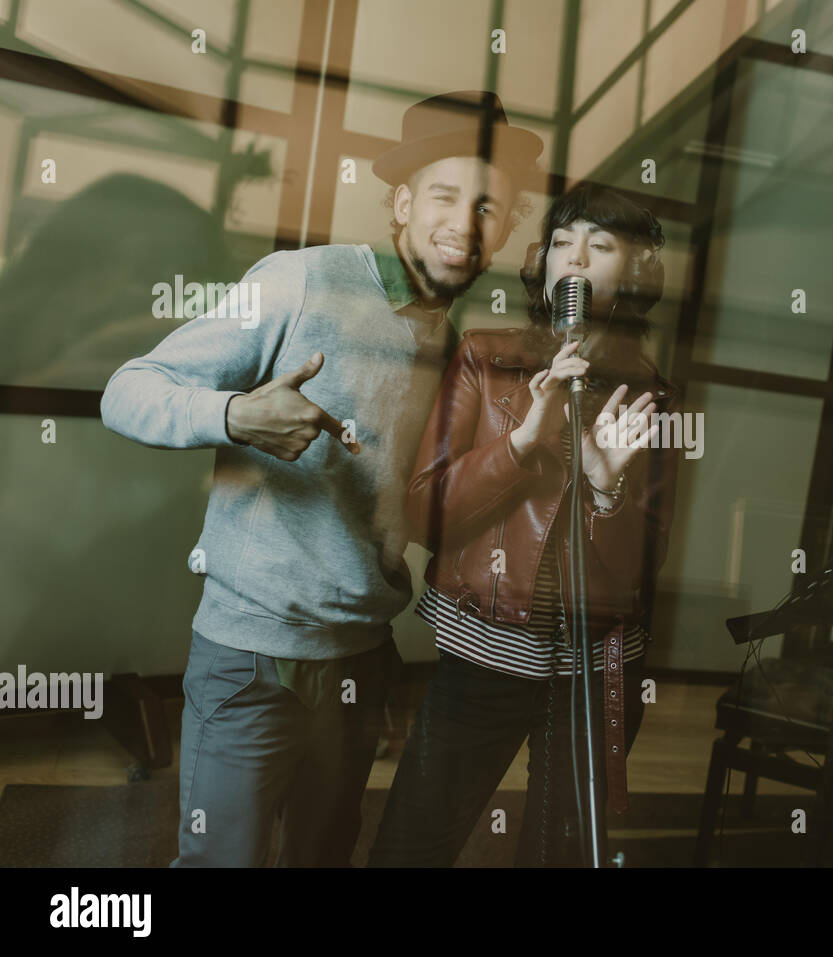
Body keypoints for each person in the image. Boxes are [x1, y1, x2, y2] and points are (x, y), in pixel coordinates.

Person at [99, 91, 542, 866]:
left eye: (488, 207)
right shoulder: (300, 281)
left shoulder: (457, 345)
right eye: (443, 195)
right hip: (250, 656)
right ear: (402, 202)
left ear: (505, 226)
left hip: (361, 662)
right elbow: (127, 390)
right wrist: (236, 415)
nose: (464, 222)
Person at [368, 181, 682, 867]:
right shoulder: (488, 355)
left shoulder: (651, 397)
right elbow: (425, 509)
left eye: (599, 246)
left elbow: (645, 562)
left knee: (558, 853)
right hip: (485, 653)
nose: (576, 258)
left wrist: (606, 488)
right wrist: (519, 445)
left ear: (633, 271)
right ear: (542, 262)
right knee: (411, 845)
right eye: (564, 242)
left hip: (598, 668)